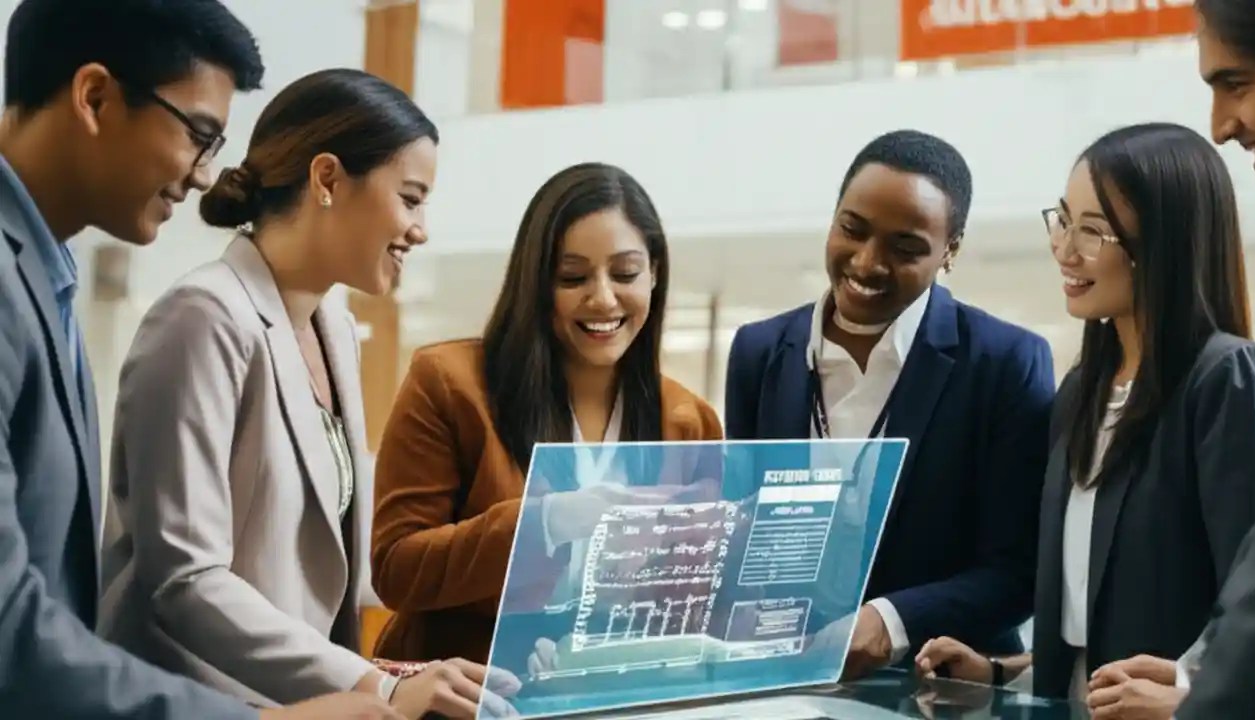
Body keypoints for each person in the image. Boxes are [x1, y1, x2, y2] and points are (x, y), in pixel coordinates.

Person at [0, 0, 402, 717]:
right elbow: (15, 627)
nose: (202, 176)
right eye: (199, 136)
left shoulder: (46, 274)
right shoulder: (192, 311)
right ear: (94, 97)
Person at [95, 68, 516, 718]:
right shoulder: (202, 318)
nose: (421, 228)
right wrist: (377, 687)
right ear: (326, 179)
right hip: (193, 702)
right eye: (410, 198)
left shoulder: (336, 331)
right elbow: (186, 579)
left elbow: (326, 560)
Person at [913, 123, 1255, 718]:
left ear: (1163, 245)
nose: (1065, 248)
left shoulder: (1227, 380)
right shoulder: (1082, 389)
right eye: (1062, 219)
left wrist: (1189, 694)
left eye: (1093, 231)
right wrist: (1003, 672)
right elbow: (1090, 625)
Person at [724, 129, 1055, 678]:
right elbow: (745, 528)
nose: (867, 263)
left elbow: (1020, 569)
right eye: (852, 230)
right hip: (783, 678)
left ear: (950, 251)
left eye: (905, 248)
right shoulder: (759, 353)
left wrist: (891, 620)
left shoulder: (1006, 363)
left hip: (935, 689)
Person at [369, 162, 724, 665]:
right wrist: (547, 522)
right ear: (536, 281)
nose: (602, 298)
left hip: (609, 693)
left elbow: (689, 599)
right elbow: (396, 570)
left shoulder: (690, 421)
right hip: (467, 692)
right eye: (572, 276)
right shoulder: (449, 384)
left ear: (655, 274)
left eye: (625, 274)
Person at [1135, 2, 1255, 719]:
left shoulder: (1229, 376)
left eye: (1237, 82)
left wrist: (1203, 697)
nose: (1221, 125)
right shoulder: (1080, 394)